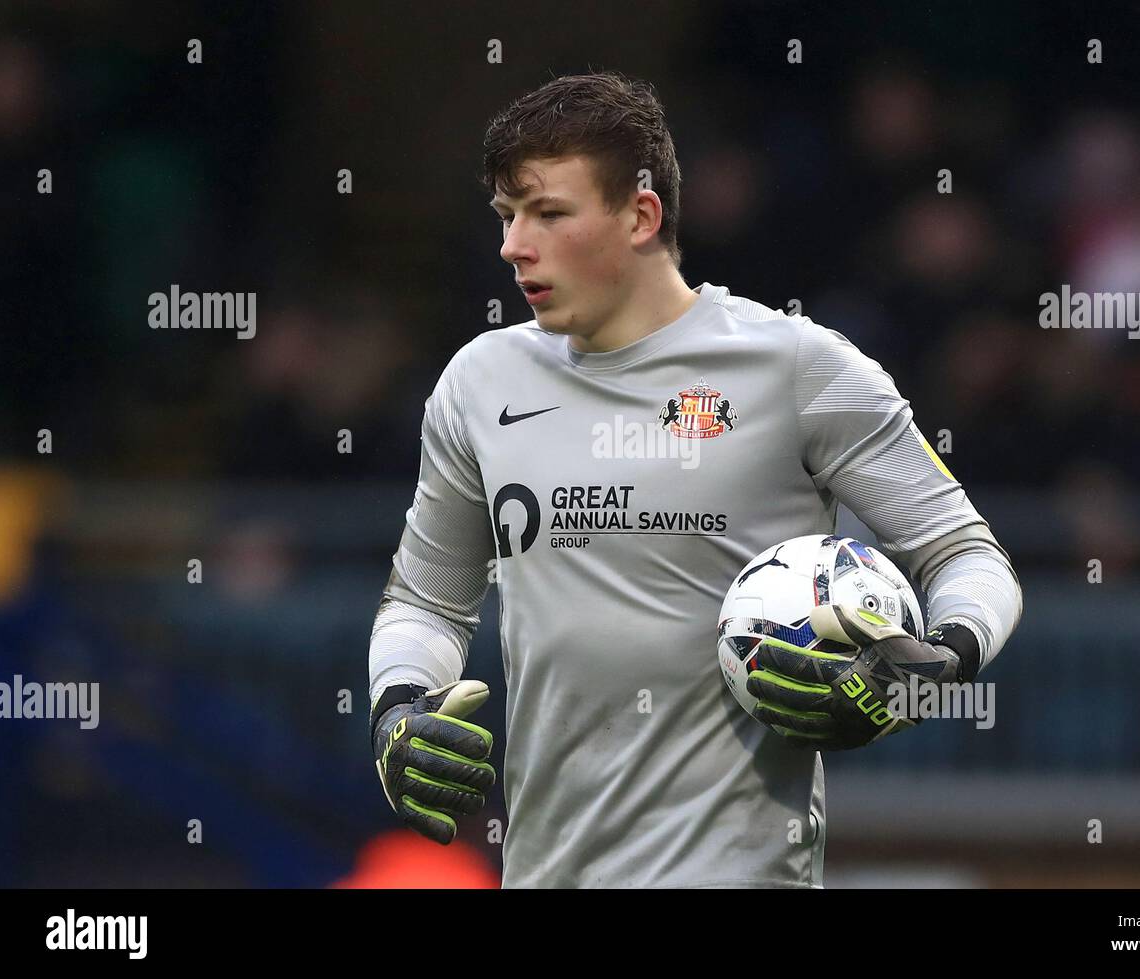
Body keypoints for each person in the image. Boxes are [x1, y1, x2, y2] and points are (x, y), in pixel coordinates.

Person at [368, 71, 1022, 888]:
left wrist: (940, 660)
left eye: (549, 213)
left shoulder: (798, 368)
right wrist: (399, 705)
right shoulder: (478, 383)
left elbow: (968, 556)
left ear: (641, 216)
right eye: (507, 216)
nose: (513, 246)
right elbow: (427, 600)